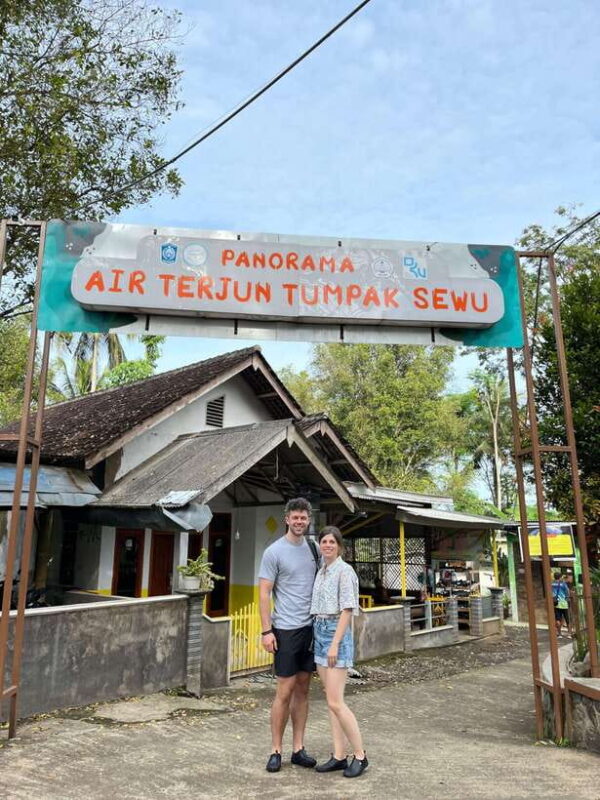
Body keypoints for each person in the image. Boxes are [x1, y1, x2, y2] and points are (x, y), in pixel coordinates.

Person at [258, 497, 319, 773]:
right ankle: (275, 750)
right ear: (286, 519)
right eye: (295, 517)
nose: (299, 522)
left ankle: (298, 748)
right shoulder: (274, 552)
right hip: (285, 629)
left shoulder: (314, 548)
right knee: (284, 691)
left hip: (310, 629)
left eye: (303, 518)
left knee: (304, 690)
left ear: (308, 519)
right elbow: (263, 593)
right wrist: (266, 630)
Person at [311, 525, 368, 779]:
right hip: (319, 631)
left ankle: (360, 756)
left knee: (337, 701)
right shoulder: (322, 571)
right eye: (324, 541)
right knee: (331, 701)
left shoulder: (346, 571)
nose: (327, 545)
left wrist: (334, 643)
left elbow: (347, 609)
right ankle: (338, 755)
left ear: (339, 546)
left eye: (332, 542)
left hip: (336, 634)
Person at [551, 571, 570, 638]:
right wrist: (567, 598)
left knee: (558, 619)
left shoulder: (552, 584)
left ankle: (559, 634)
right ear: (560, 577)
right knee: (567, 619)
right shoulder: (563, 584)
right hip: (564, 603)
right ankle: (569, 634)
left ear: (554, 576)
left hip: (556, 603)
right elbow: (567, 591)